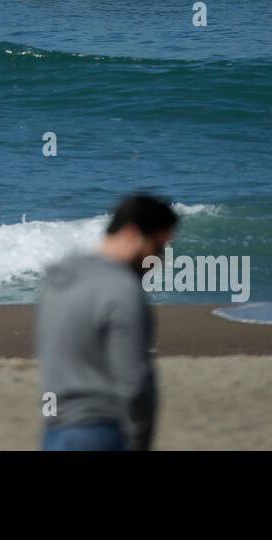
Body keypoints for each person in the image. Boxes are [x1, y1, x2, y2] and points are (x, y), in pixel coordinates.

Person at [35, 193, 180, 451]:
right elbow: (135, 383)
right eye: (158, 247)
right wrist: (139, 441)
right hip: (100, 433)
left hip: (54, 431)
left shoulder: (57, 280)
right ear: (132, 233)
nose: (160, 259)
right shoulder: (123, 290)